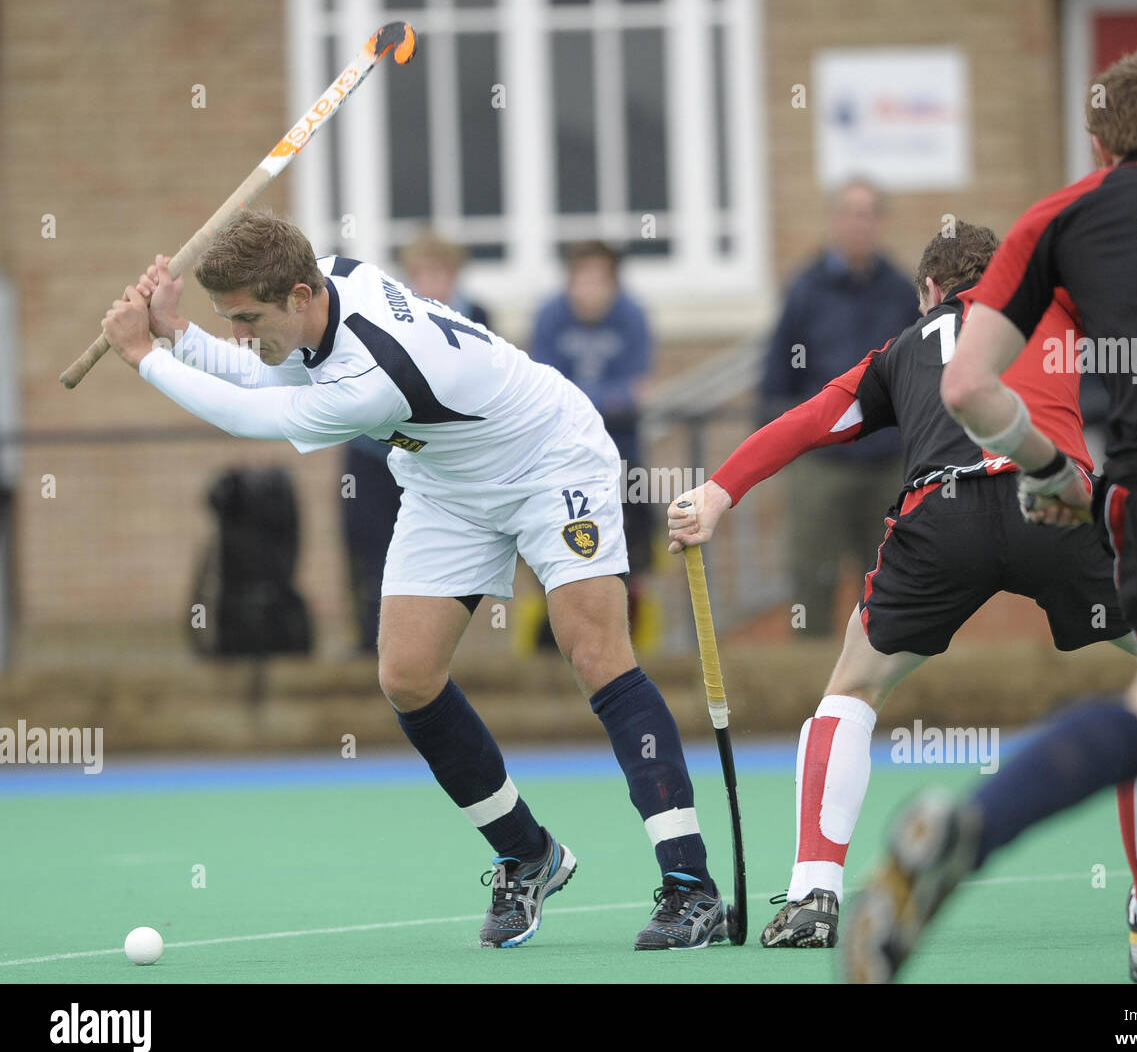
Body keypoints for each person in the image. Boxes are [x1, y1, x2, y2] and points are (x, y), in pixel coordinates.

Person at [100, 210, 729, 951]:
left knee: (594, 651)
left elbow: (252, 414)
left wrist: (145, 357)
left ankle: (692, 886)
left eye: (248, 317)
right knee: (407, 674)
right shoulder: (326, 284)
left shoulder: (374, 371)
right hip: (446, 478)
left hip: (548, 457)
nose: (243, 332)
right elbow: (264, 367)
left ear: (300, 294)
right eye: (231, 318)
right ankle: (528, 852)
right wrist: (178, 335)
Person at [843, 46, 1137, 985]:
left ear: (1097, 140)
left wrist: (1048, 469)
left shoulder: (1060, 215)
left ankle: (1110, 903)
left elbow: (969, 383)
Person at [669, 221, 1136, 947]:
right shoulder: (1057, 307)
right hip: (1057, 499)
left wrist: (719, 494)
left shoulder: (901, 349)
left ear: (929, 292)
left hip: (943, 517)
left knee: (850, 690)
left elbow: (808, 421)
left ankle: (812, 895)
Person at [759, 178, 919, 636]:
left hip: (888, 460)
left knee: (892, 578)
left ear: (881, 222)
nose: (859, 224)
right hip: (821, 464)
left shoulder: (898, 289)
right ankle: (811, 691)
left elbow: (917, 371)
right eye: (850, 212)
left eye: (868, 213)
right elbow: (777, 376)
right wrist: (778, 452)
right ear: (833, 220)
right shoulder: (805, 290)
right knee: (812, 579)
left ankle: (883, 684)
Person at [341, 232, 489, 652]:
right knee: (368, 541)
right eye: (421, 273)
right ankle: (370, 640)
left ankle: (425, 646)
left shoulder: (475, 316)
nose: (430, 282)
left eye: (438, 273)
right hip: (376, 452)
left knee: (432, 550)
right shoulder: (383, 313)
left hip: (438, 459)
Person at [530, 241, 655, 640]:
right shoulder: (549, 316)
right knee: (559, 557)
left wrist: (584, 399)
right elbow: (548, 390)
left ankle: (631, 640)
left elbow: (636, 390)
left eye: (600, 280)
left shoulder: (632, 316)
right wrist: (603, 400)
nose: (591, 289)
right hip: (560, 463)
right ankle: (555, 644)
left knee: (632, 558)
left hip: (622, 461)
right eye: (582, 278)